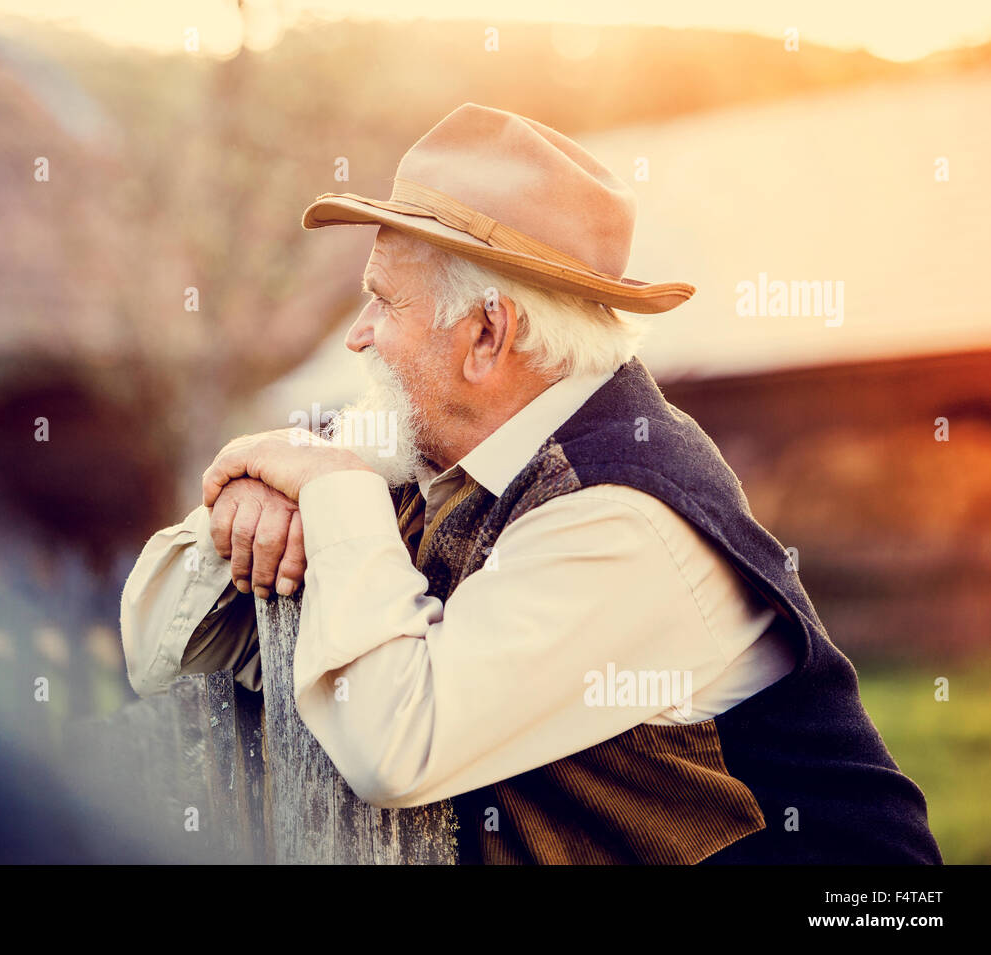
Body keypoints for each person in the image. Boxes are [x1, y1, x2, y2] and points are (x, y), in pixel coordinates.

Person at [121, 103, 941, 864]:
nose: (360, 336)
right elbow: (163, 646)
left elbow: (395, 748)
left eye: (379, 301)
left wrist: (334, 494)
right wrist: (269, 484)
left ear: (486, 334)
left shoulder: (626, 516)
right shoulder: (424, 442)